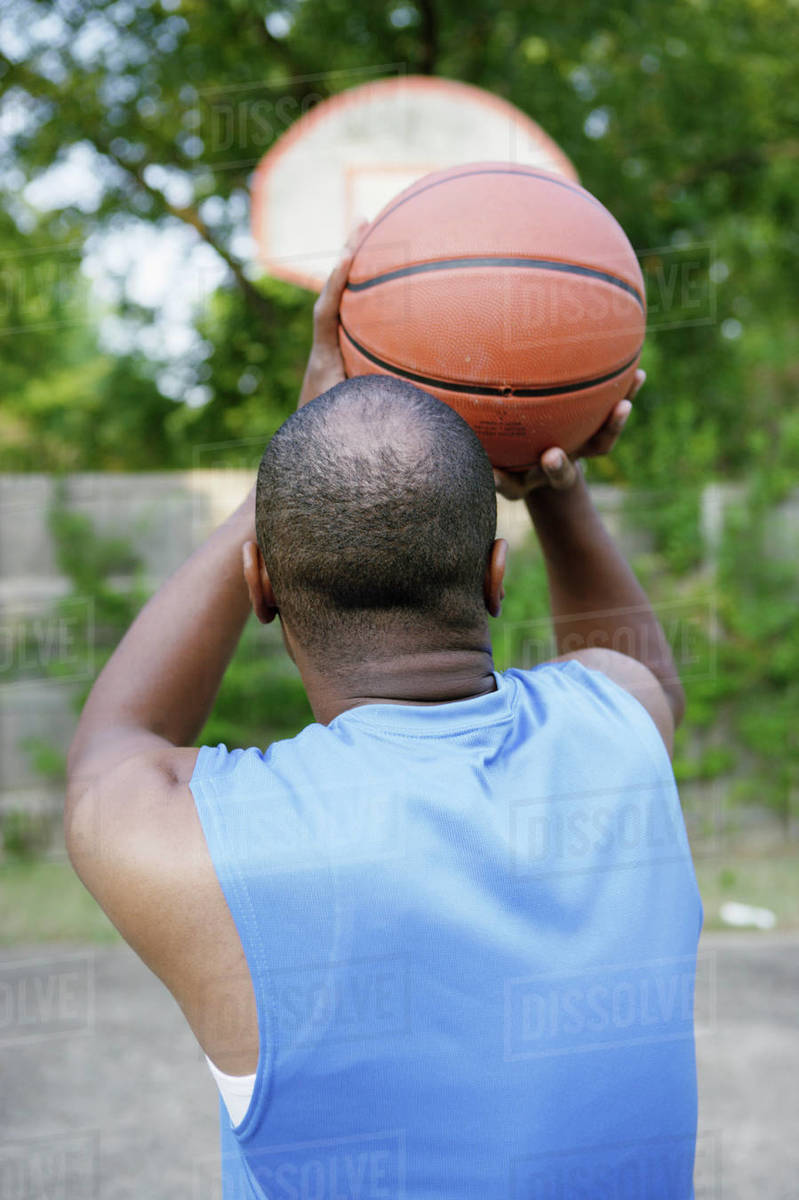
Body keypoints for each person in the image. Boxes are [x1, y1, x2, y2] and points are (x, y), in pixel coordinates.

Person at [65, 238, 702, 1199]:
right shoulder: (614, 729)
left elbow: (112, 748)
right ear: (496, 574)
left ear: (260, 587)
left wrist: (285, 467)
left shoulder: (214, 849)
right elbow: (648, 668)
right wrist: (553, 479)